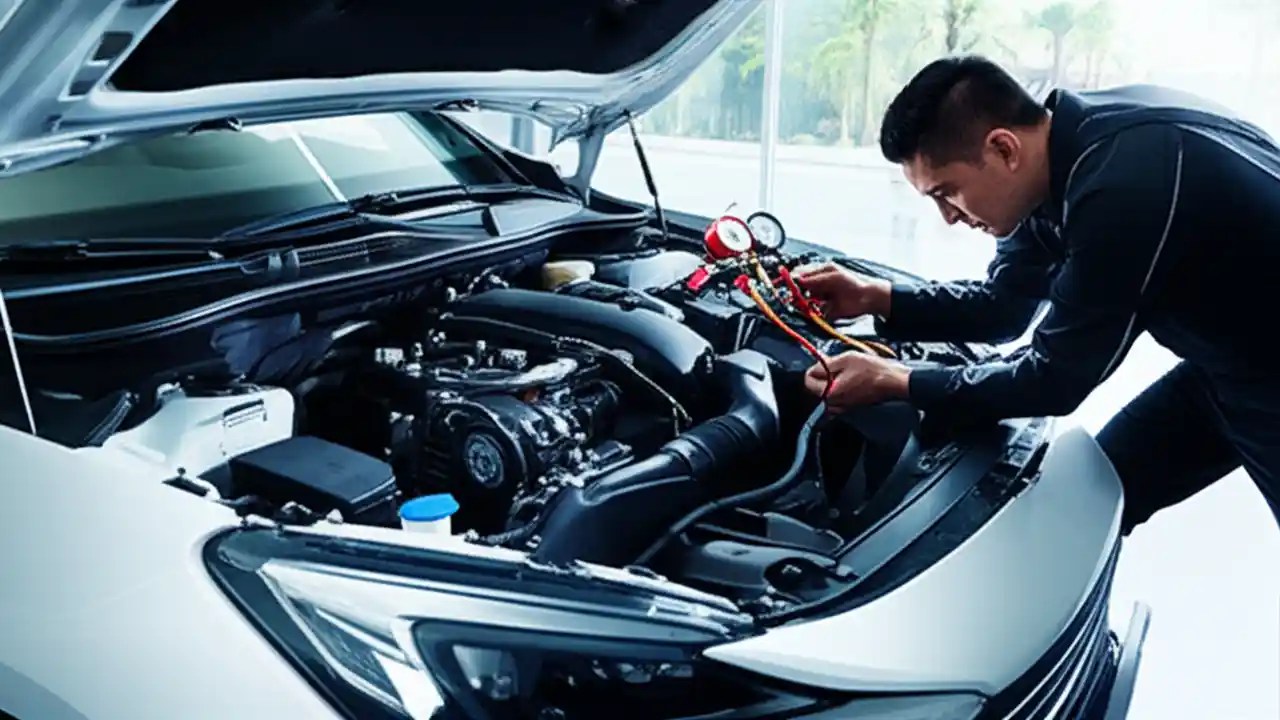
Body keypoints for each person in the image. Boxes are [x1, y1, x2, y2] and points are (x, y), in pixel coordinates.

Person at [796, 55, 1280, 534]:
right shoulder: (1052, 158)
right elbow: (1004, 308)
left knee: (1092, 500)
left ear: (1003, 149)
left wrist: (897, 381)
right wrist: (876, 297)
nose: (947, 217)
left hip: (1264, 374)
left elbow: (1054, 379)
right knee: (1089, 502)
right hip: (1230, 360)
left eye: (947, 193)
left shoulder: (1122, 187)